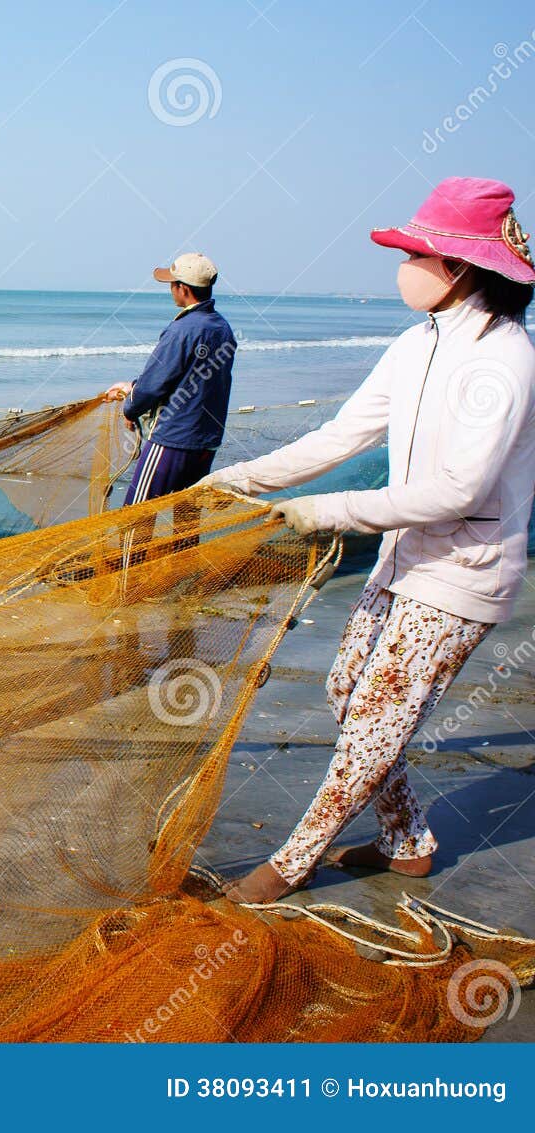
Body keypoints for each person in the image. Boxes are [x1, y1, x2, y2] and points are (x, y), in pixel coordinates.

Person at [201, 177, 535, 904]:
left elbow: (460, 490)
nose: (404, 264)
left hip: (464, 568)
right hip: (404, 555)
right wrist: (240, 479)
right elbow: (341, 435)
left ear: (462, 267)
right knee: (345, 687)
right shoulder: (416, 345)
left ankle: (290, 861)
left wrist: (326, 512)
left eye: (419, 251)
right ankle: (405, 839)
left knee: (377, 717)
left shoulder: (506, 359)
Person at [102, 253, 236, 504]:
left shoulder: (181, 330)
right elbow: (189, 378)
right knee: (186, 518)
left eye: (172, 285)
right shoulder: (222, 327)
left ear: (183, 289)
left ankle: (133, 548)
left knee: (136, 515)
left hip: (171, 439)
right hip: (206, 443)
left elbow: (153, 386)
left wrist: (130, 407)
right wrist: (130, 387)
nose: (170, 290)